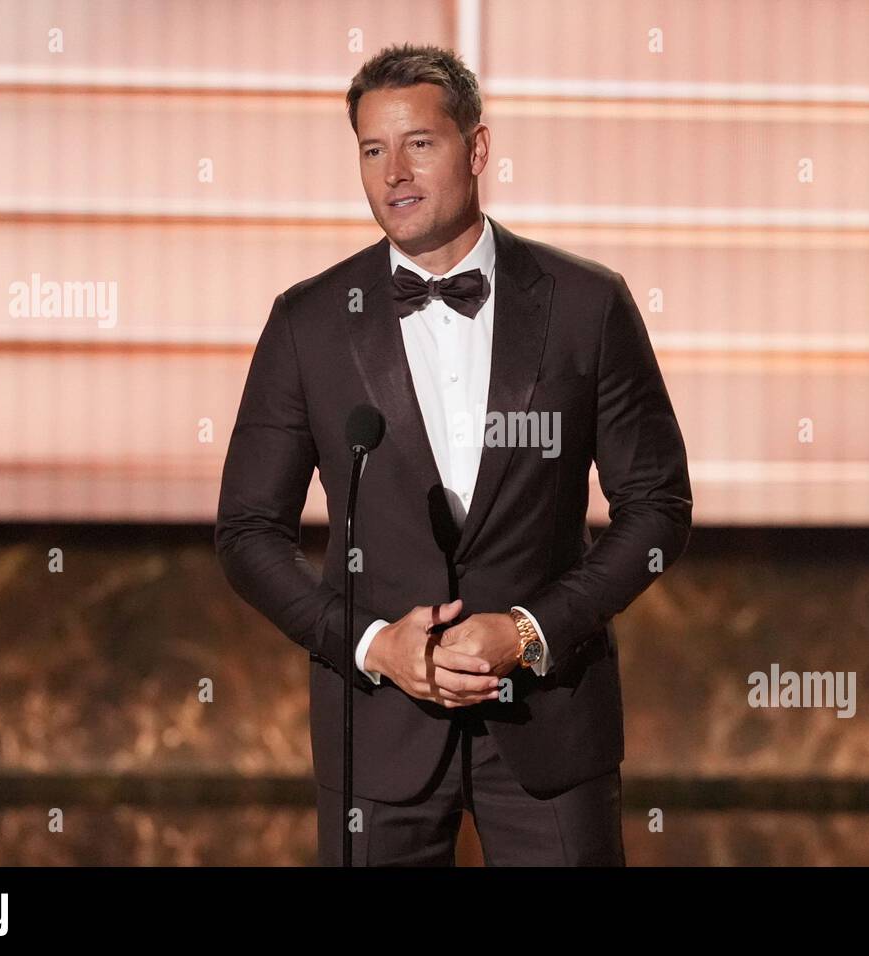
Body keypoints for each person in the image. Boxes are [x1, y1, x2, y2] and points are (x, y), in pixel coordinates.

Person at [215, 42, 692, 866]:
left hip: (552, 727)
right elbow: (249, 532)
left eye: (419, 143)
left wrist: (533, 629)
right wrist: (372, 645)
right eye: (372, 149)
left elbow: (657, 508)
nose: (394, 171)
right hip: (375, 739)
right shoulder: (309, 322)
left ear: (476, 149)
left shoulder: (586, 304)